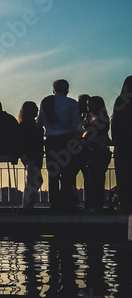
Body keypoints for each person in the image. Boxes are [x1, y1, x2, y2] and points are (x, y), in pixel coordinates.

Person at [36, 78, 81, 213]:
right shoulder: (72, 103)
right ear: (67, 89)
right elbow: (76, 125)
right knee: (67, 174)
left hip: (51, 141)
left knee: (53, 174)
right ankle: (66, 203)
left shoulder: (46, 102)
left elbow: (39, 123)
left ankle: (54, 204)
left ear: (54, 89)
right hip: (67, 141)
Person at [80, 96, 111, 211]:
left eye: (89, 104)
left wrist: (85, 135)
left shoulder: (102, 118)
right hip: (90, 151)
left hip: (98, 151)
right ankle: (90, 203)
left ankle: (97, 204)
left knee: (97, 178)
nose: (87, 107)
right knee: (90, 178)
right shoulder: (89, 118)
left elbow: (94, 133)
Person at [17, 101, 44, 211]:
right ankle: (27, 205)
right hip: (32, 155)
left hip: (32, 155)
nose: (37, 111)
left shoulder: (22, 126)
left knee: (33, 179)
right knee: (34, 180)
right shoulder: (32, 126)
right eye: (35, 109)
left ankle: (28, 204)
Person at [112, 75, 132, 214]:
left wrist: (116, 142)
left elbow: (115, 124)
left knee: (124, 175)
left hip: (123, 144)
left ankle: (125, 203)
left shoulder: (120, 102)